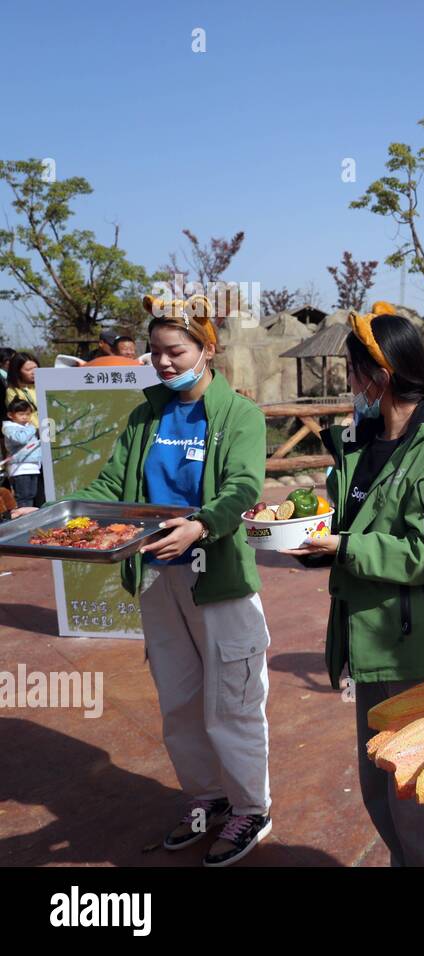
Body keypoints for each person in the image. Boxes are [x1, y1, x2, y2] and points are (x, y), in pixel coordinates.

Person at [13, 294, 274, 867]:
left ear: (207, 349)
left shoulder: (239, 415)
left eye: (175, 351)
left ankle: (250, 807)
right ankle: (206, 801)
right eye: (154, 352)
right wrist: (54, 519)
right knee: (180, 702)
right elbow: (112, 487)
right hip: (157, 575)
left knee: (230, 703)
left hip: (217, 579)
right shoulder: (145, 412)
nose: (163, 363)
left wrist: (201, 524)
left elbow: (243, 488)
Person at [285, 302, 424, 867]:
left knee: (417, 804)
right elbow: (355, 527)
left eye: (352, 372)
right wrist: (311, 539)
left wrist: (343, 547)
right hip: (366, 639)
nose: (349, 384)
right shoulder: (364, 444)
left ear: (381, 376)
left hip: (412, 648)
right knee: (380, 794)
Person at [3, 398, 44, 508]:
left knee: (31, 495)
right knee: (23, 496)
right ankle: (23, 520)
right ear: (10, 415)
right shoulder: (9, 427)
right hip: (20, 468)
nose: (25, 417)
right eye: (21, 414)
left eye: (28, 414)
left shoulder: (27, 428)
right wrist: (32, 428)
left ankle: (29, 519)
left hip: (33, 466)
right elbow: (21, 438)